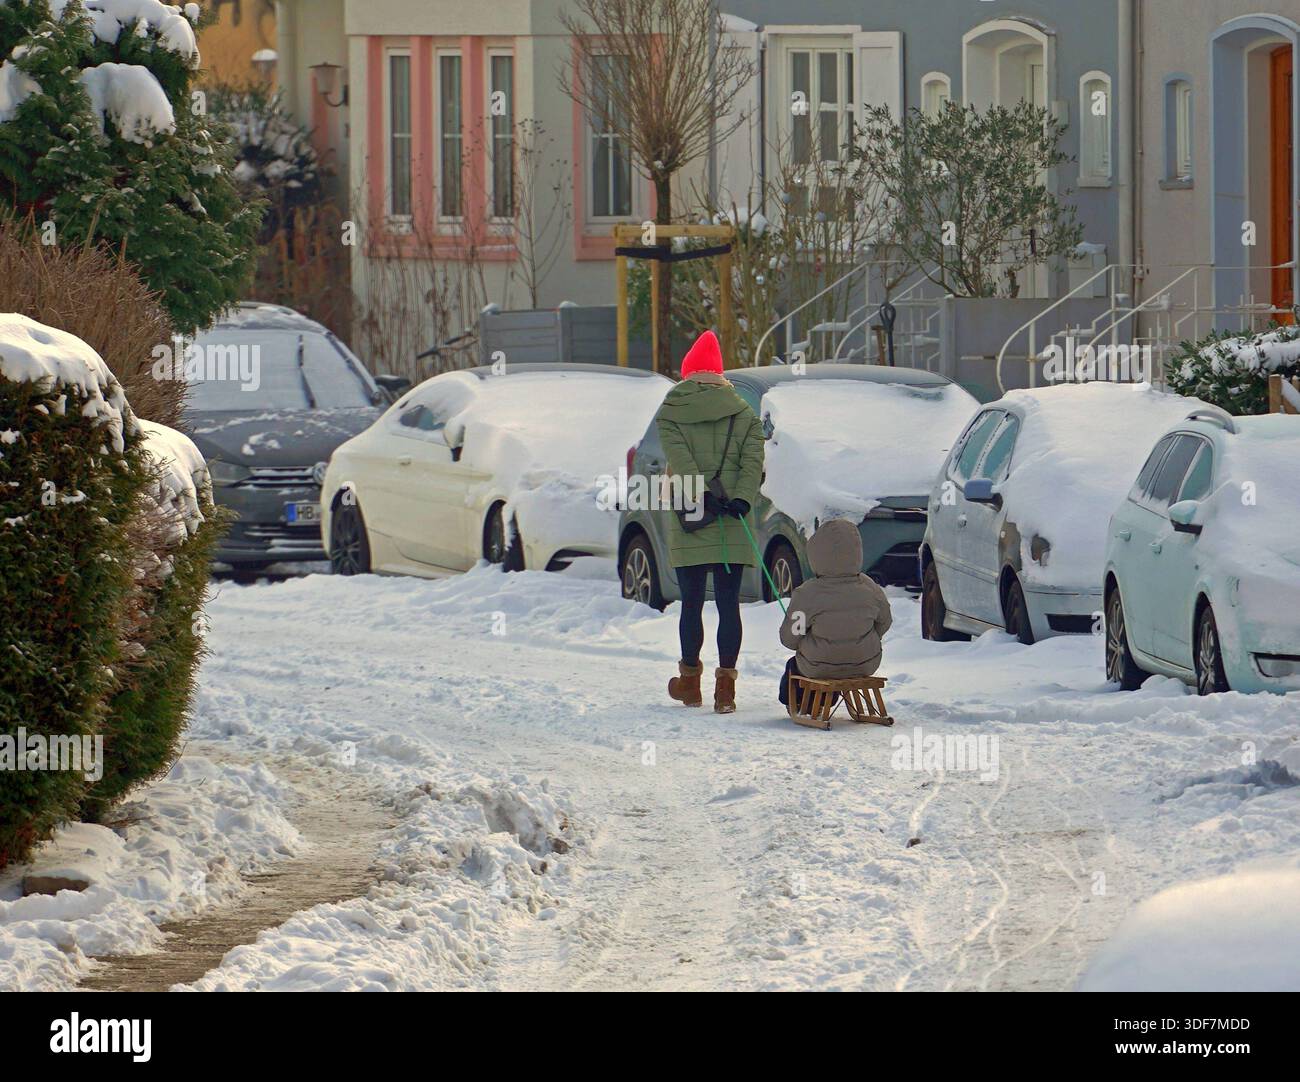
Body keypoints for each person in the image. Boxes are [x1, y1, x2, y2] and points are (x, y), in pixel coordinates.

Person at [655, 330, 764, 714]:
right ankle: (726, 691)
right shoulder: (745, 413)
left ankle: (689, 683)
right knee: (730, 604)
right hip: (733, 518)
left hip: (690, 515)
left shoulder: (671, 409)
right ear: (719, 373)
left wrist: (702, 494)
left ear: (688, 372)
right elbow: (753, 464)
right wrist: (741, 500)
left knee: (691, 604)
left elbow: (679, 456)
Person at [777, 519, 893, 709]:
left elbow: (790, 638)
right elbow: (885, 621)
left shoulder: (808, 593)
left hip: (818, 664)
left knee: (794, 665)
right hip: (865, 662)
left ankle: (802, 702)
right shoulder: (870, 587)